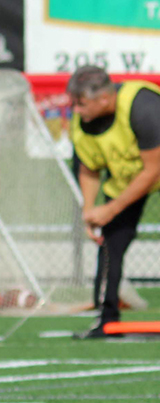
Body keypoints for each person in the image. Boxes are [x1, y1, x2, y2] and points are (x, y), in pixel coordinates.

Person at [67, 66, 160, 339]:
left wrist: (111, 208)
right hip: (128, 180)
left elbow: (154, 170)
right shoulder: (82, 122)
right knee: (110, 244)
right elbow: (89, 168)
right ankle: (107, 320)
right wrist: (90, 212)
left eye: (81, 103)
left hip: (152, 169)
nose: (76, 110)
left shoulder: (142, 107)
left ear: (104, 99)